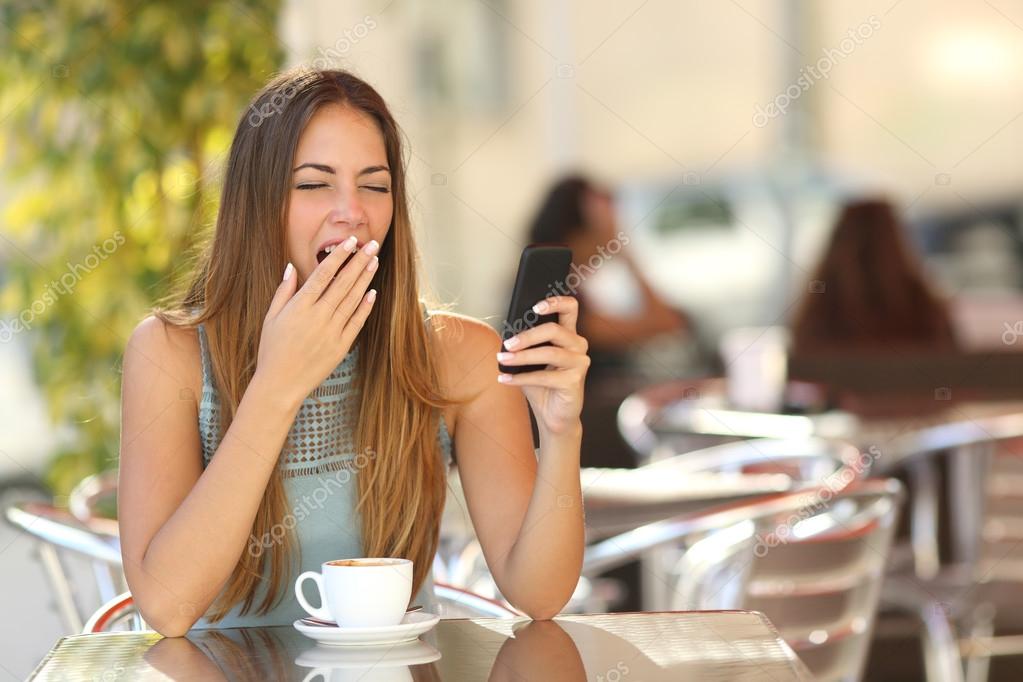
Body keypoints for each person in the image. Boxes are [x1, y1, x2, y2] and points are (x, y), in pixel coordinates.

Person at [118, 68, 589, 636]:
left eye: (375, 184)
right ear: (255, 202)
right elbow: (167, 608)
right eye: (314, 184)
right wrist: (278, 386)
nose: (353, 212)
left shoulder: (458, 357)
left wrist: (561, 432)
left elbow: (539, 594)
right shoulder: (169, 354)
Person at [527, 175, 688, 377]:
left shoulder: (559, 287)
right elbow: (666, 323)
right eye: (608, 214)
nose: (615, 221)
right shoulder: (555, 296)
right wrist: (622, 250)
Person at [791, 198, 958, 356]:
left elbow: (799, 360)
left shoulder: (818, 311)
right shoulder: (925, 308)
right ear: (898, 241)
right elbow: (953, 364)